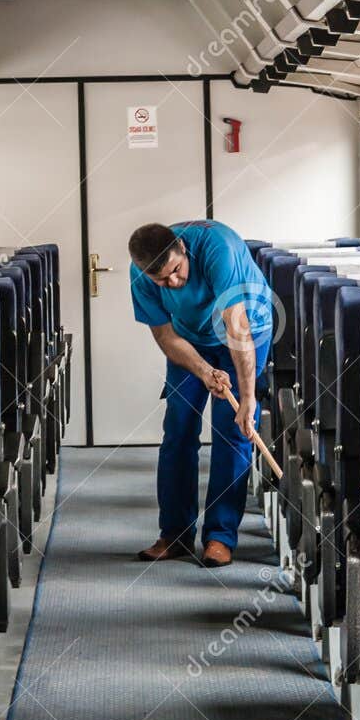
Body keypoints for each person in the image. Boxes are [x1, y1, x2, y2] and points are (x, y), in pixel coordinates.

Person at [128, 220, 272, 568]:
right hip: (189, 339)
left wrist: (248, 397)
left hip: (246, 330)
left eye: (176, 271)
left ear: (183, 248)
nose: (172, 283)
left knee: (233, 429)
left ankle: (220, 537)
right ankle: (174, 534)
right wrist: (205, 371)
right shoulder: (141, 278)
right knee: (178, 429)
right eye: (161, 280)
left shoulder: (217, 249)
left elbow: (236, 326)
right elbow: (165, 336)